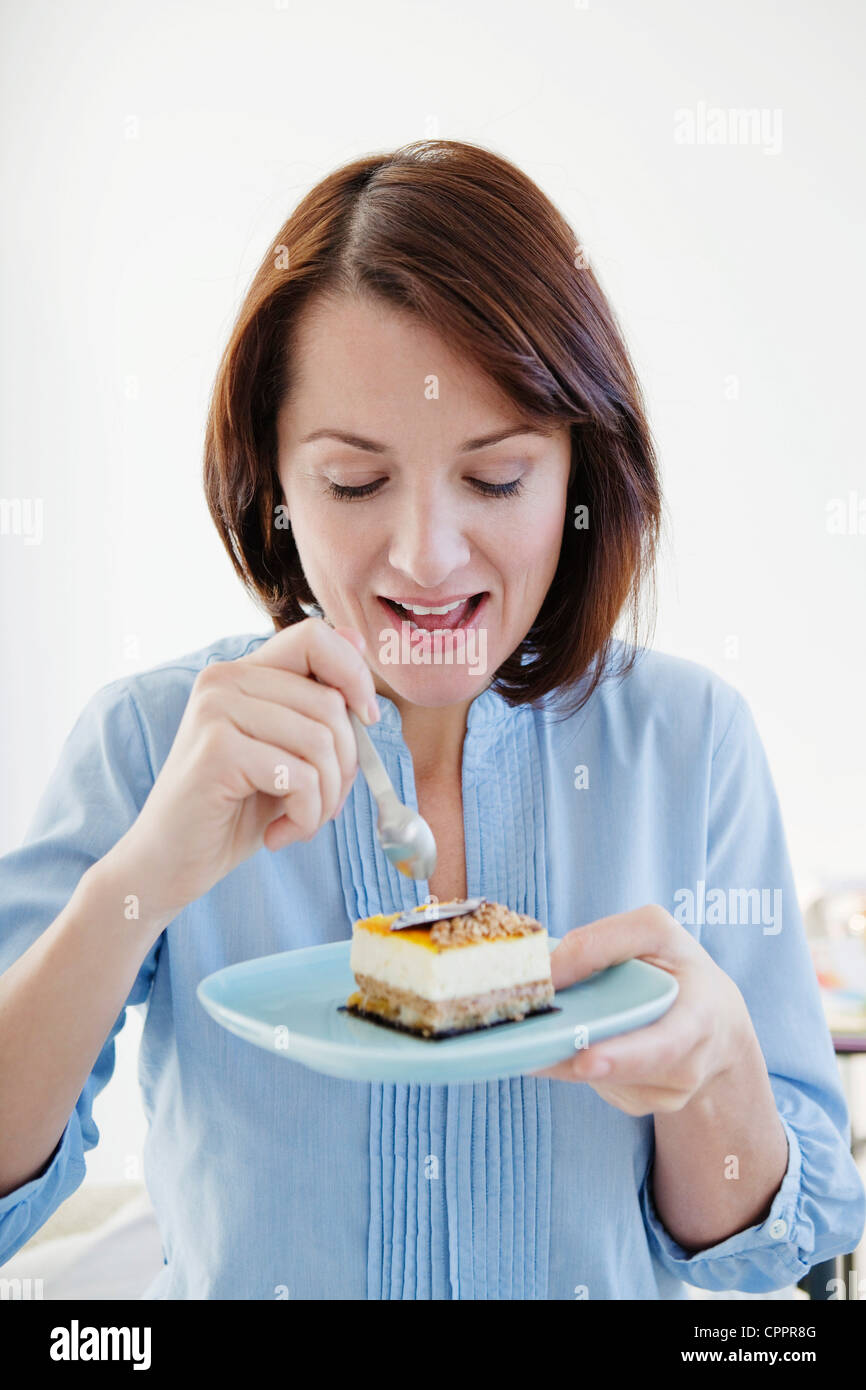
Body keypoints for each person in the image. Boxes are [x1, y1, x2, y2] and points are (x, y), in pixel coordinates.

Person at [0, 139, 862, 1300]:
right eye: (355, 483)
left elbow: (763, 1252)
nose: (424, 556)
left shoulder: (687, 744)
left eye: (496, 479)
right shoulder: (156, 744)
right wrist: (140, 875)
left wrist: (710, 1068)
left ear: (576, 478)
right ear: (272, 483)